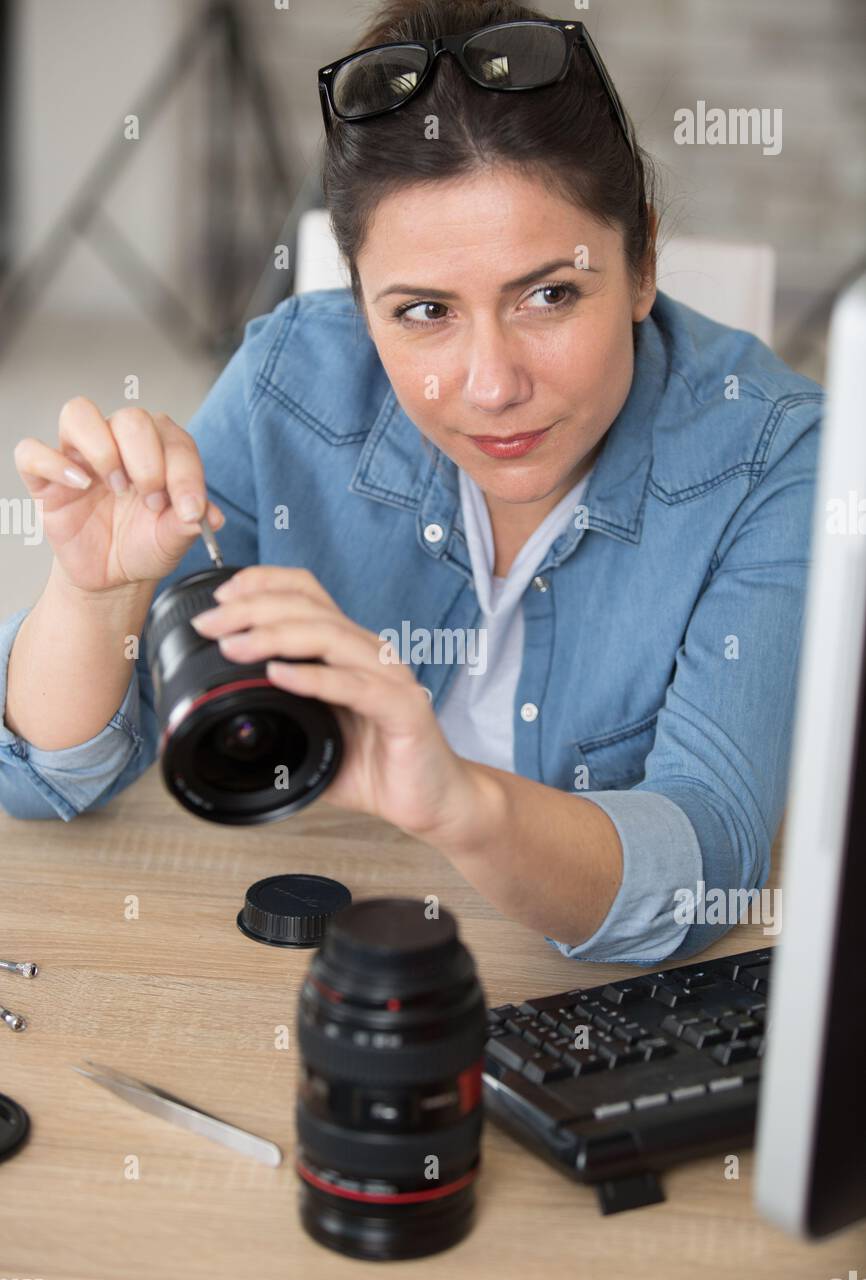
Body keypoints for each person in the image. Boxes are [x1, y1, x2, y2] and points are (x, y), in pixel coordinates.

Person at [0, 0, 824, 966]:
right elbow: (49, 781)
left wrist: (458, 801)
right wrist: (98, 601)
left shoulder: (774, 455)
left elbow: (705, 863)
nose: (492, 385)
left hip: (553, 1004)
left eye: (549, 294)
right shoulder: (294, 380)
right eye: (425, 310)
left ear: (642, 262)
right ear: (360, 304)